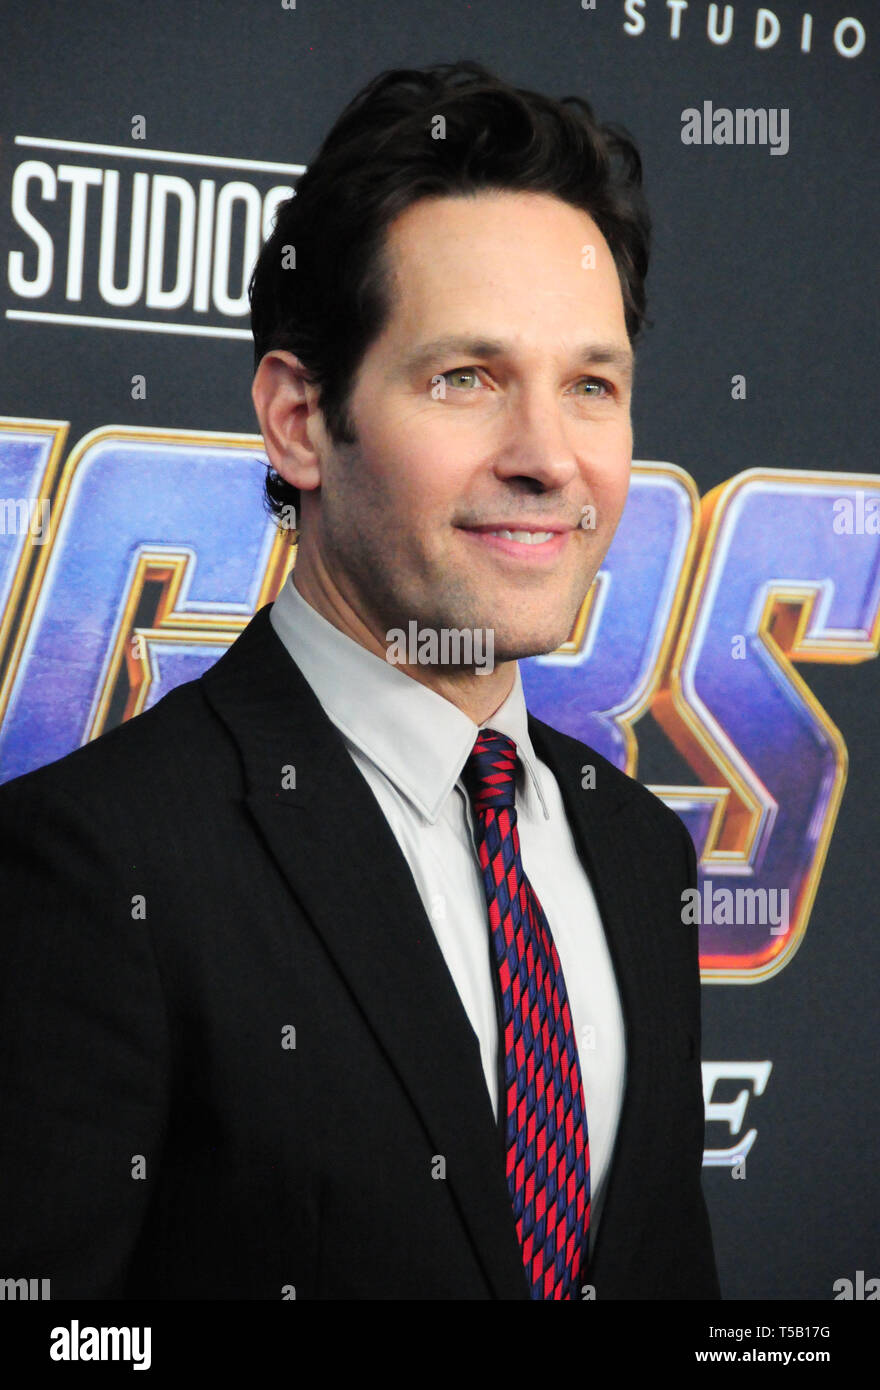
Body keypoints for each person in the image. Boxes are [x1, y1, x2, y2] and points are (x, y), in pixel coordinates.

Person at [0, 60, 719, 1300]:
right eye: (465, 379)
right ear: (296, 421)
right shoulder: (96, 865)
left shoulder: (643, 853)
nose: (549, 457)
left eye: (589, 386)